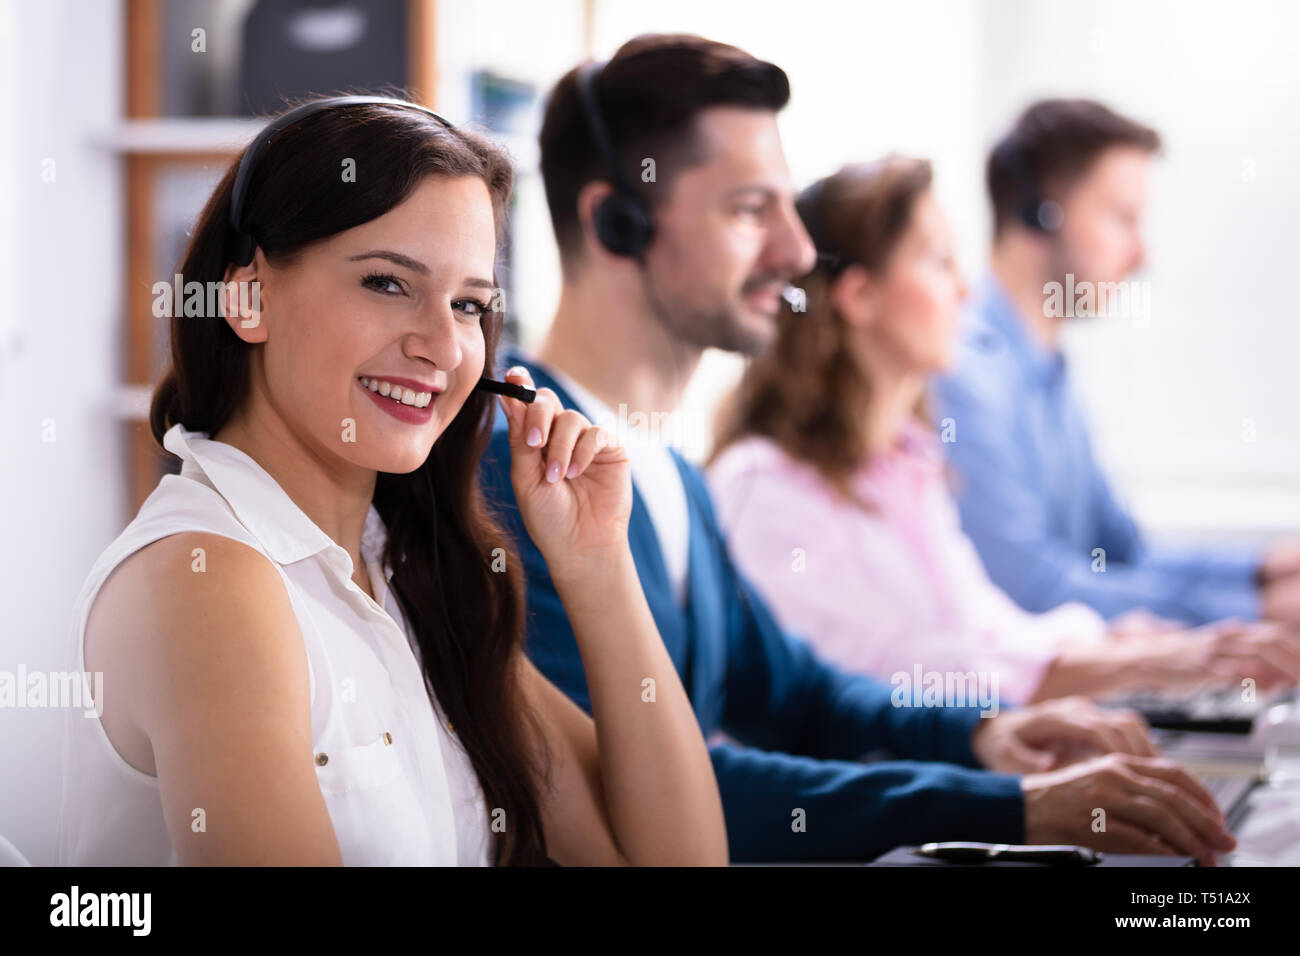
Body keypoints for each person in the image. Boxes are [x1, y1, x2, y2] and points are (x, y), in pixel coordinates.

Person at [478, 34, 1236, 864]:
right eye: (748, 210)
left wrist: (987, 733)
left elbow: (804, 694)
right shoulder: (515, 467)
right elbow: (638, 787)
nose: (798, 252)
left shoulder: (675, 477)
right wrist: (1006, 807)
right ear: (616, 221)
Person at [56, 97, 727, 866]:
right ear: (247, 298)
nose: (443, 345)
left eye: (469, 304)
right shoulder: (208, 578)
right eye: (387, 283)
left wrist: (598, 565)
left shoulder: (405, 577)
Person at [707, 157, 1300, 706]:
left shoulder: (904, 466)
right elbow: (892, 673)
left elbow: (986, 625)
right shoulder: (763, 487)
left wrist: (1114, 641)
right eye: (939, 263)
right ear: (859, 296)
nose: (966, 291)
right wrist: (1130, 663)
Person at [934, 99, 1300, 626]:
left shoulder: (1048, 368)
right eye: (1122, 218)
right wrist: (1254, 612)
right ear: (1041, 213)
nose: (1141, 254)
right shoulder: (963, 370)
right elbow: (1027, 589)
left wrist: (1262, 571)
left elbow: (1124, 552)